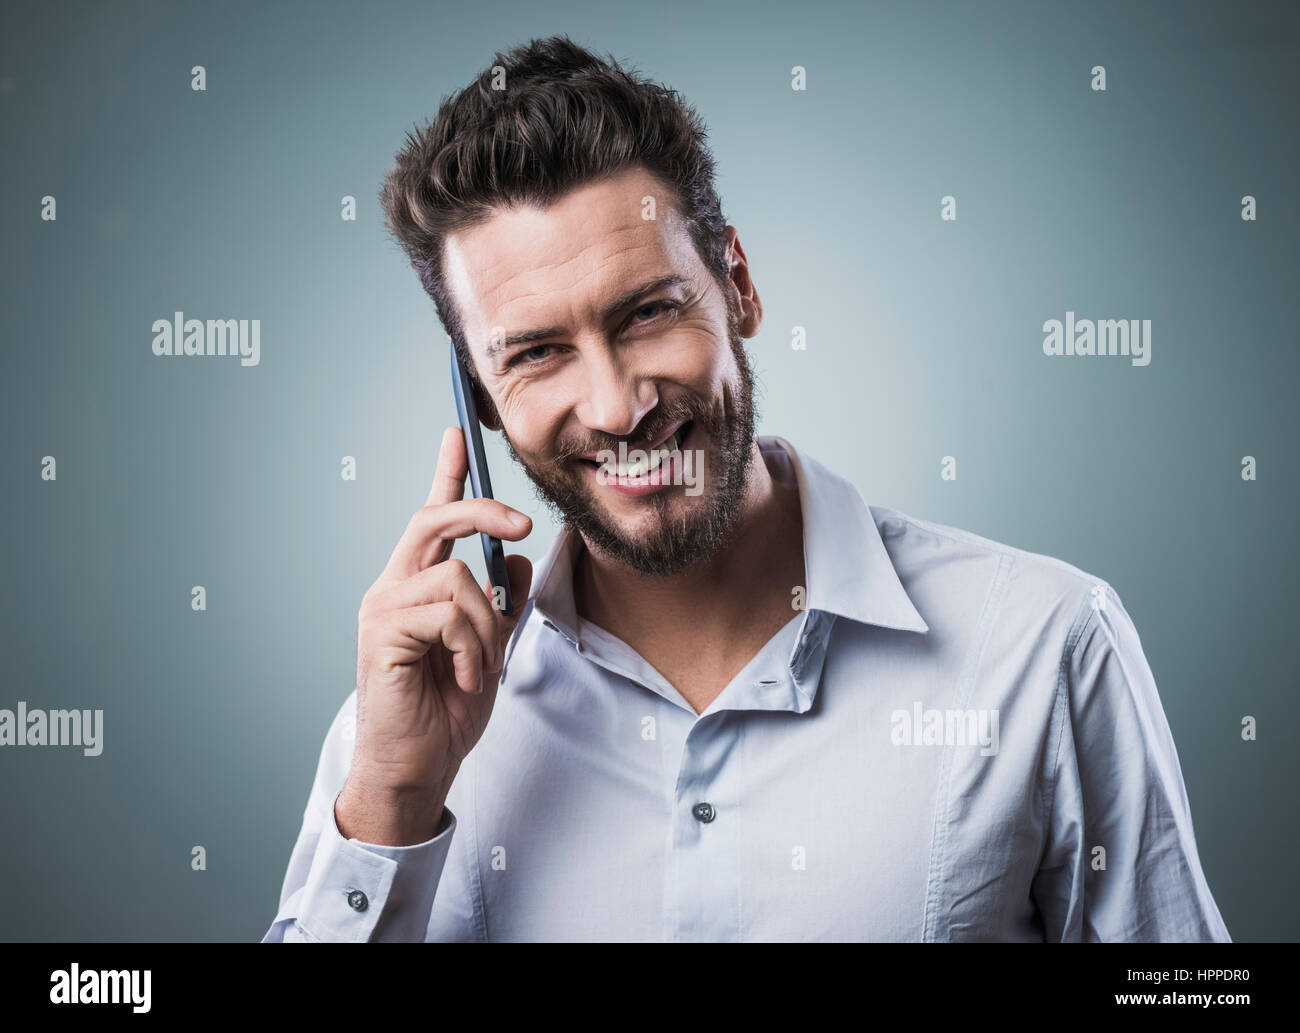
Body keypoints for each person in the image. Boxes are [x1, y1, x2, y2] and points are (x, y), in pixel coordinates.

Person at [263, 35, 1229, 942]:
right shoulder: (400, 730)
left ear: (738, 287)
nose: (615, 405)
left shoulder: (1044, 646)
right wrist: (391, 803)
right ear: (482, 399)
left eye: (646, 312)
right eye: (537, 353)